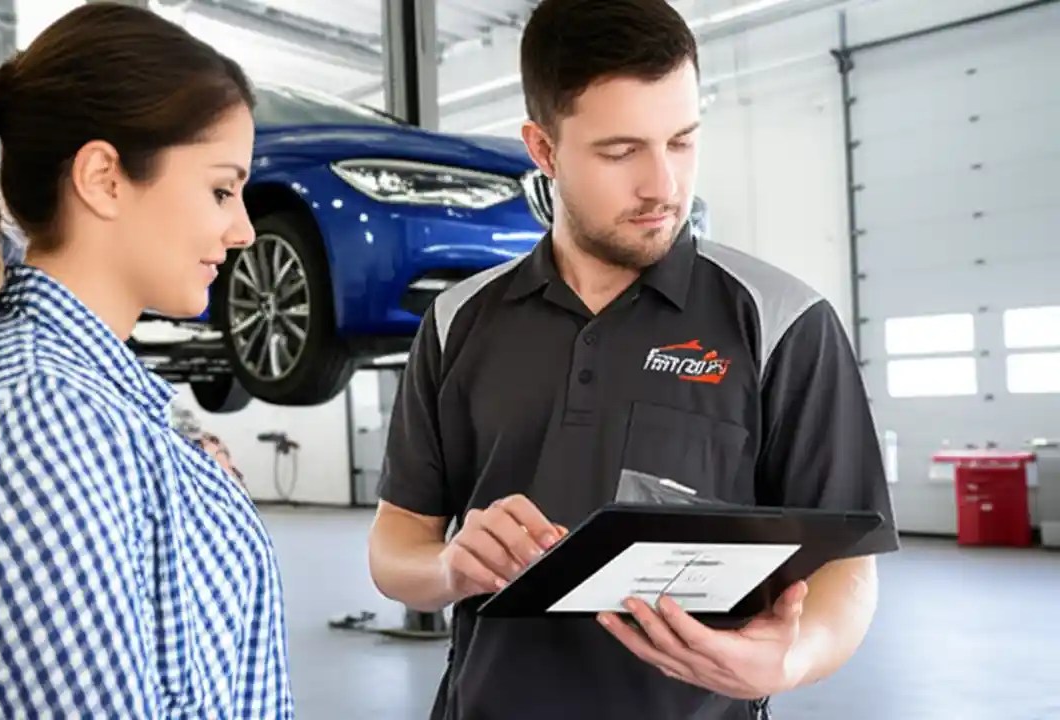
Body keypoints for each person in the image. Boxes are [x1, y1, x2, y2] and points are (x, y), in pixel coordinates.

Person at [366, 1, 899, 719]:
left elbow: (848, 568)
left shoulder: (783, 322)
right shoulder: (458, 322)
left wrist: (792, 657)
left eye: (681, 142)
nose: (664, 186)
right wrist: (447, 567)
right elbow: (397, 545)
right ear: (544, 149)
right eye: (621, 152)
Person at [0, 5, 292, 719]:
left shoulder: (82, 405)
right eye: (220, 189)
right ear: (104, 178)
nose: (241, 230)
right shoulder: (38, 418)